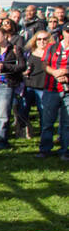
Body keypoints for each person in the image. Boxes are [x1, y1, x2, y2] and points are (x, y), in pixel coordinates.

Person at [36, 22, 69, 160]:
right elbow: (44, 64)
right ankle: (45, 149)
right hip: (51, 88)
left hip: (67, 90)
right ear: (63, 33)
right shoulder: (52, 47)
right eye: (67, 32)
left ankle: (65, 150)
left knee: (66, 123)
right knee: (47, 121)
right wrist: (55, 72)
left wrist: (66, 72)